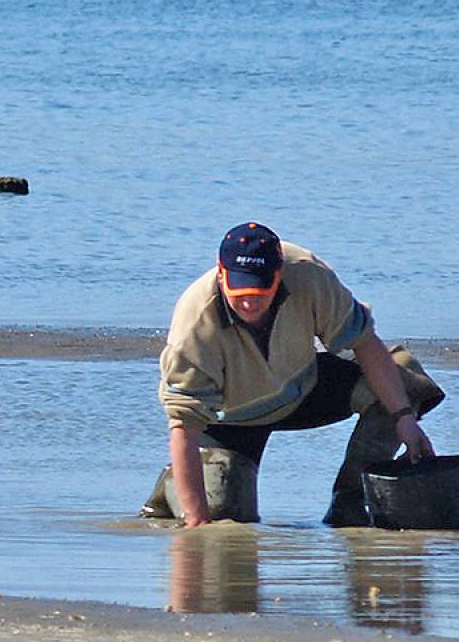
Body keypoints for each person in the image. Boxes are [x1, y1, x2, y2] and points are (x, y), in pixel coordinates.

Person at [144, 222, 442, 528]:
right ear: (221, 274)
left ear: (279, 274)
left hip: (301, 387)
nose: (250, 302)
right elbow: (183, 425)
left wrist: (404, 418)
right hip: (231, 417)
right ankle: (174, 488)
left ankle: (352, 502)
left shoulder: (307, 274)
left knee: (404, 378)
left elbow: (364, 342)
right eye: (240, 290)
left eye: (261, 290)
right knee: (227, 518)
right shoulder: (194, 322)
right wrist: (198, 523)